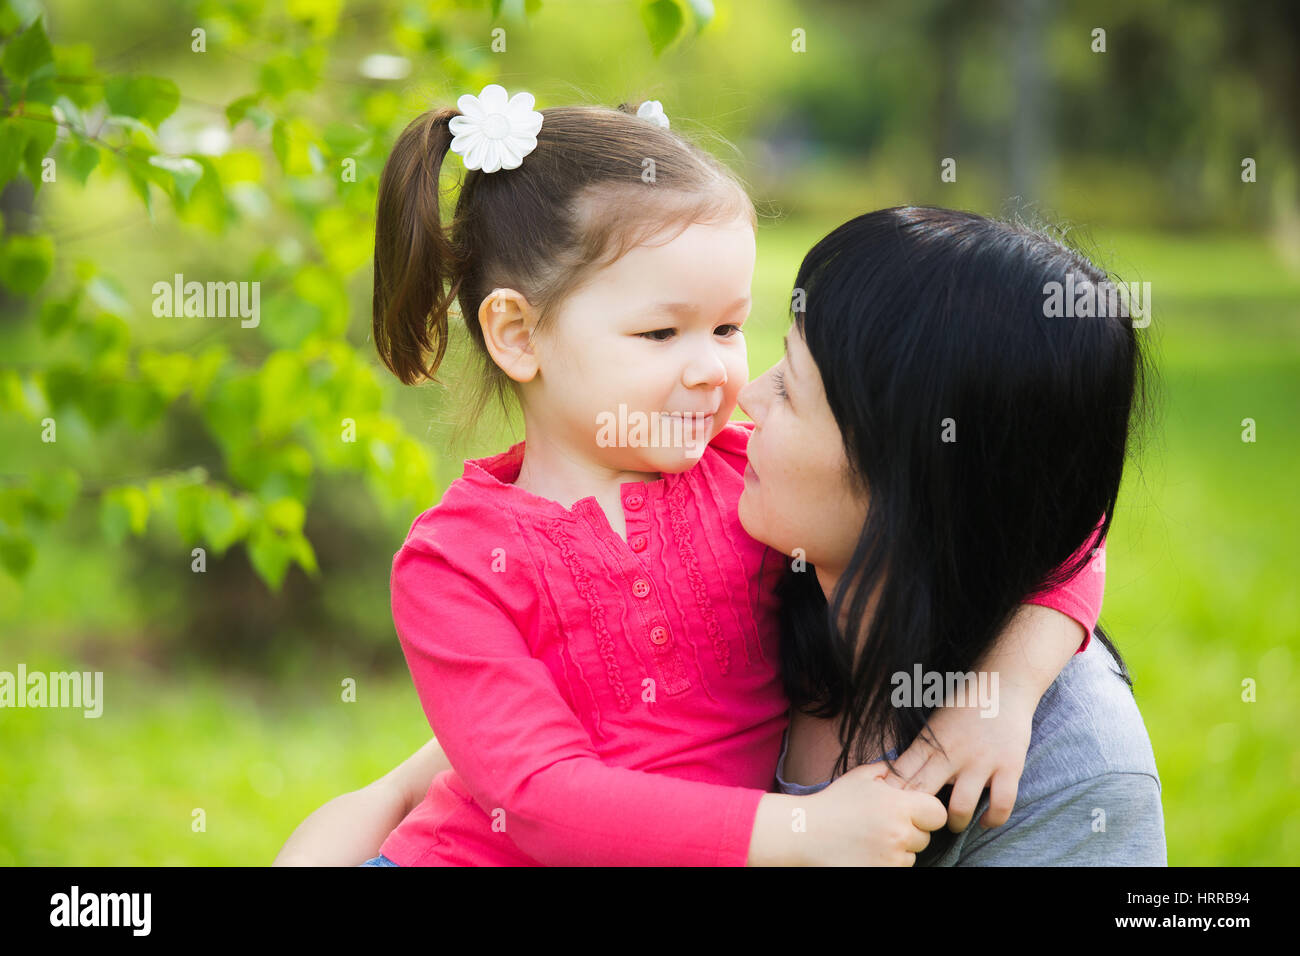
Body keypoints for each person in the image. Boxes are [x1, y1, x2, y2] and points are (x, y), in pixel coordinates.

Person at [274, 84, 1109, 866]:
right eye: (661, 334)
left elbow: (1037, 513)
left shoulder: (746, 477)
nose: (715, 370)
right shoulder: (456, 564)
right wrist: (803, 829)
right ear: (518, 335)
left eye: (728, 326)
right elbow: (535, 796)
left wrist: (999, 692)